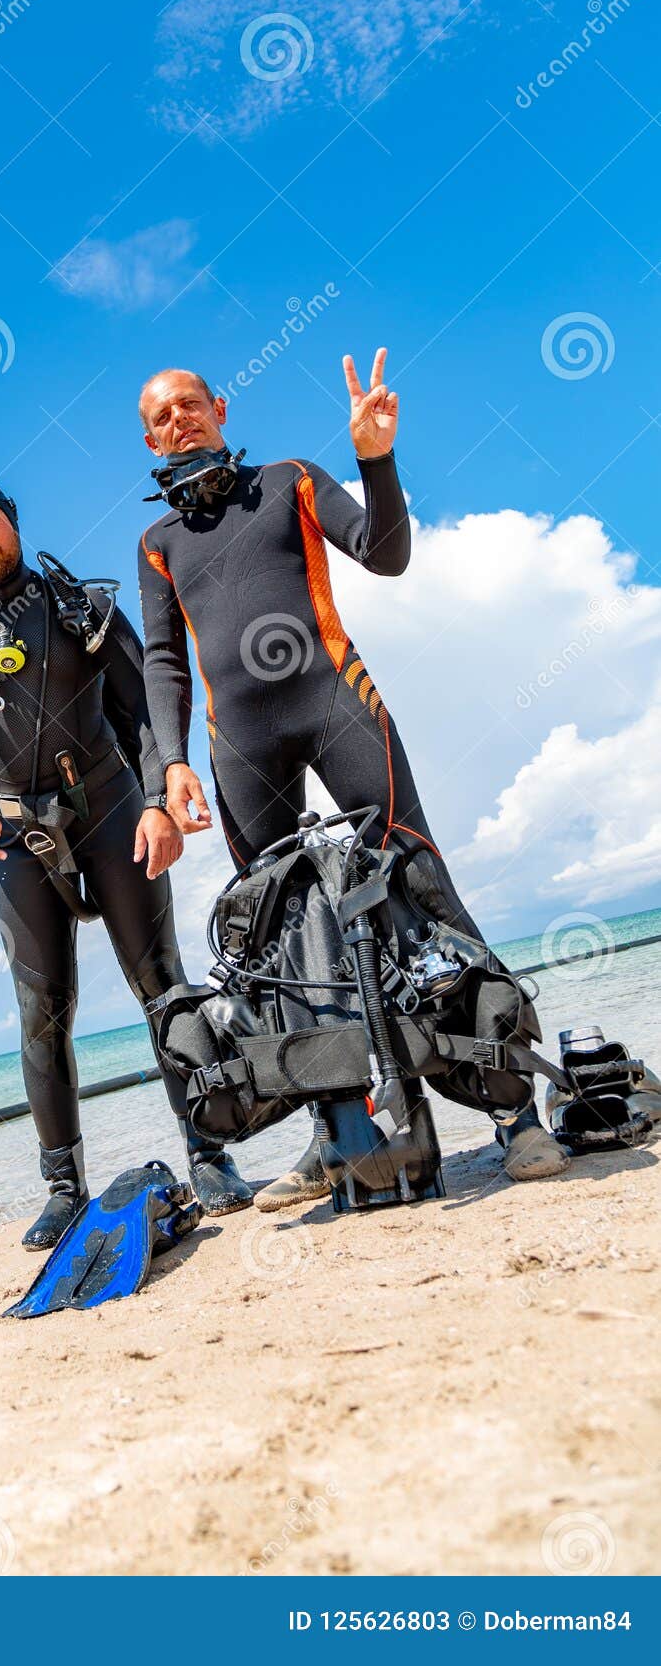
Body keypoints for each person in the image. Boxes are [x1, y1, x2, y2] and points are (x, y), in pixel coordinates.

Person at [135, 358, 569, 1202]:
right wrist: (169, 767)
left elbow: (385, 554)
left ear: (220, 408)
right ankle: (334, 1132)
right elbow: (162, 664)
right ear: (148, 437)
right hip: (238, 742)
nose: (179, 420)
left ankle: (515, 1113)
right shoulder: (157, 544)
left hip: (335, 704)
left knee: (419, 888)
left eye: (191, 403)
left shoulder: (289, 479)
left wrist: (376, 459)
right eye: (161, 415)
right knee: (274, 941)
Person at [0, 478, 255, 1250]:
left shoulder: (80, 608)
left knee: (161, 985)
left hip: (112, 810)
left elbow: (144, 709)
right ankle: (64, 1188)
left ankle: (208, 1152)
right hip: (19, 838)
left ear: (14, 527)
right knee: (41, 1012)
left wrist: (162, 797)